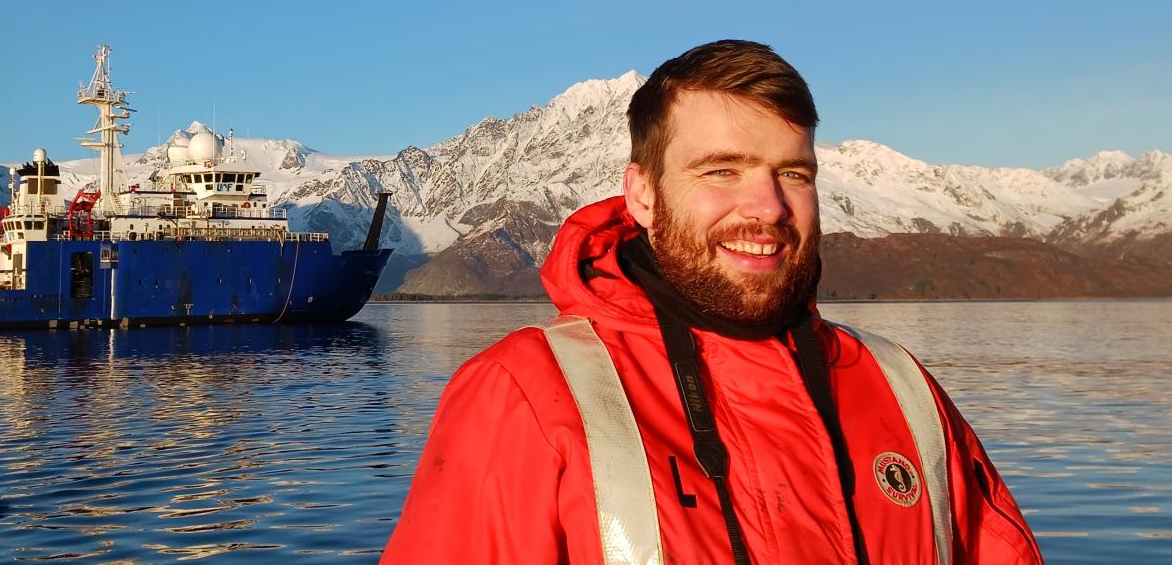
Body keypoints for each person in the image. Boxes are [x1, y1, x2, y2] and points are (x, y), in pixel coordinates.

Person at [383, 40, 1042, 564]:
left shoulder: (899, 388)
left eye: (793, 173)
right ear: (642, 195)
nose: (768, 208)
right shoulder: (526, 395)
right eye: (720, 170)